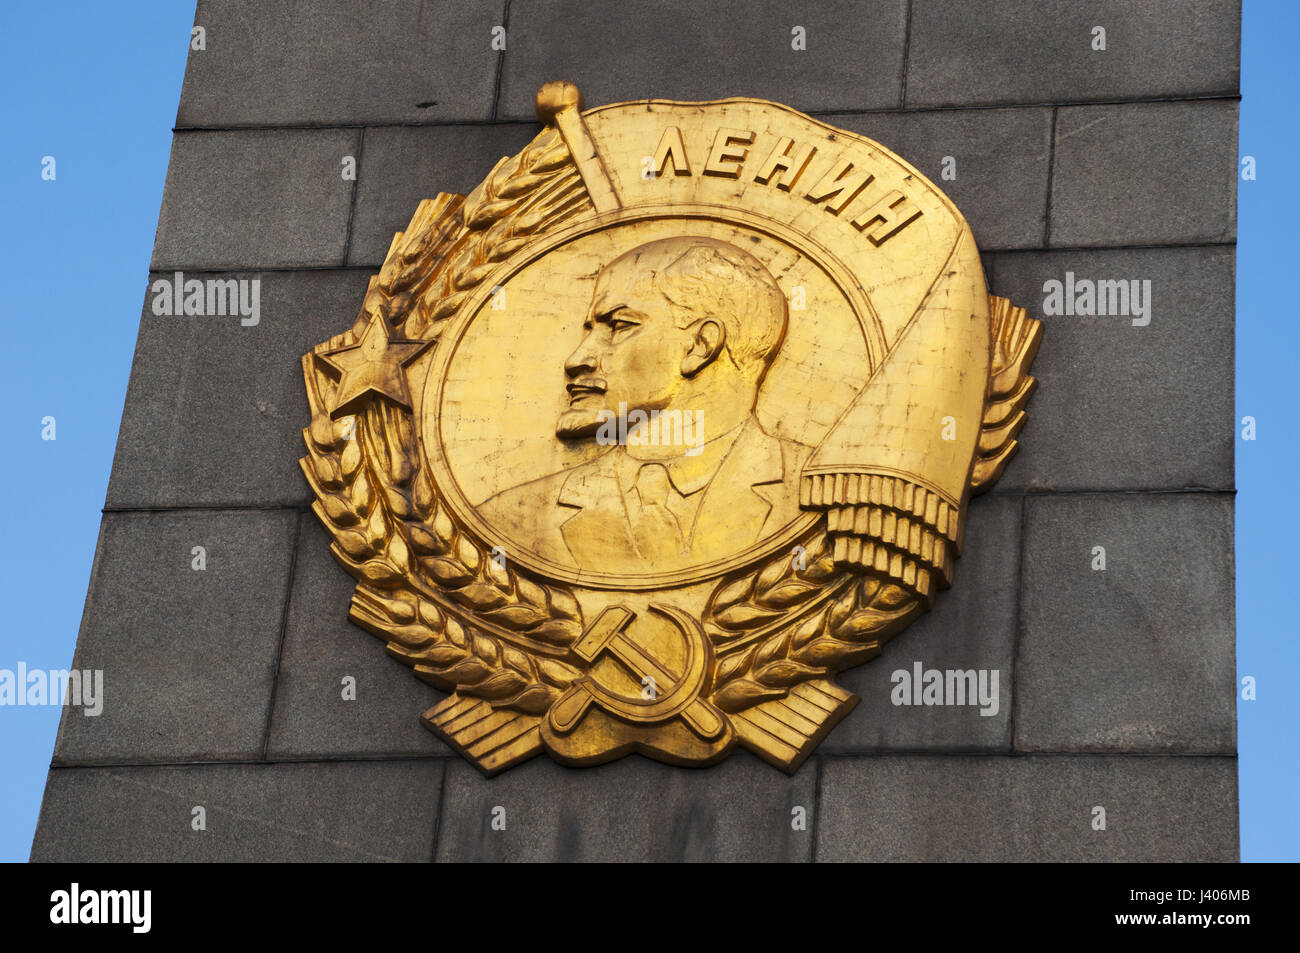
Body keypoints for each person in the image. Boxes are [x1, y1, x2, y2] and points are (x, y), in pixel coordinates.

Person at [479, 236, 811, 573]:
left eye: (620, 326)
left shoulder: (829, 495)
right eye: (591, 330)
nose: (577, 358)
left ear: (701, 345)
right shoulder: (505, 519)